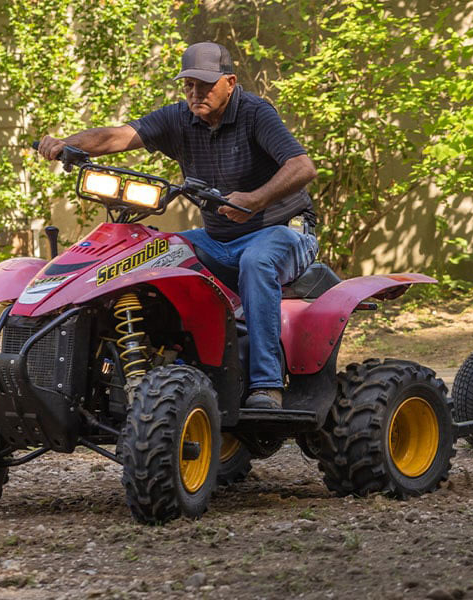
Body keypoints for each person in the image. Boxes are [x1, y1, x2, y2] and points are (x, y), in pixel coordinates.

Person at [37, 41, 317, 410]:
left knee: (257, 261)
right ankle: (167, 369)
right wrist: (66, 144)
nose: (195, 93)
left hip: (284, 232)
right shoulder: (180, 118)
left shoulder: (255, 114)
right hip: (219, 239)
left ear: (230, 82)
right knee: (152, 255)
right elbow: (119, 135)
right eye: (188, 85)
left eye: (205, 84)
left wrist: (255, 200)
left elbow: (303, 166)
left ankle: (266, 384)